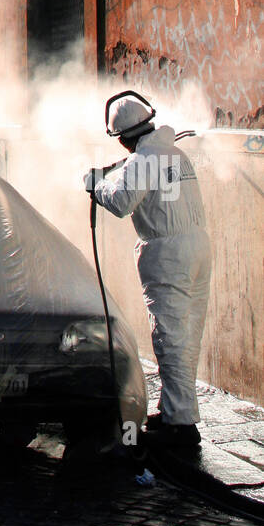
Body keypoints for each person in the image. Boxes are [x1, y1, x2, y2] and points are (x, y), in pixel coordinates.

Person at [86, 94, 211, 449]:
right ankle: (176, 412)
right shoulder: (174, 154)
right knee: (186, 337)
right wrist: (119, 173)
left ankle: (181, 427)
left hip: (167, 253)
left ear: (123, 137)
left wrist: (96, 184)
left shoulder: (142, 160)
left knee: (169, 338)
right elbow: (154, 185)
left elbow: (122, 203)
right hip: (197, 247)